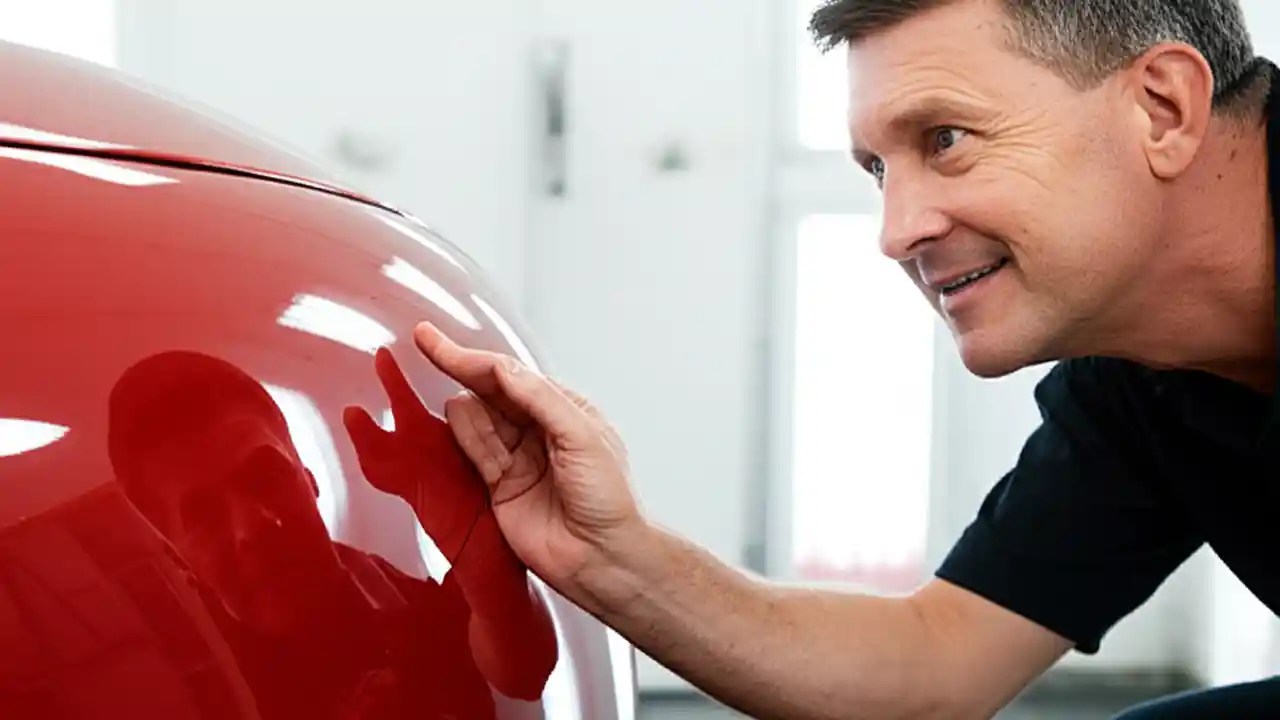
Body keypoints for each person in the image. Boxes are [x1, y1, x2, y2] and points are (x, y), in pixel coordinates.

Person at [404, 0, 1280, 717]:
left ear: (1163, 108)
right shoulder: (1139, 375)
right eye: (877, 170)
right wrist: (611, 554)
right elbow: (939, 665)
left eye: (946, 139)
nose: (896, 234)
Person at [106, 350, 555, 719]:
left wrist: (475, 541)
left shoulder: (392, 595)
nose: (250, 528)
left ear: (308, 478)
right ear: (177, 556)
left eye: (265, 478)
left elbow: (522, 673)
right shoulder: (192, 692)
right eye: (203, 515)